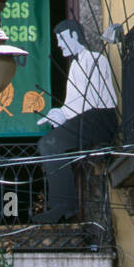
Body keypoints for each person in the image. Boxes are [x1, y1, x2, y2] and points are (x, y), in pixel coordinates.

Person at [36, 18, 117, 222]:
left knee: (49, 144)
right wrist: (59, 113)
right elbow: (74, 102)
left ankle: (64, 205)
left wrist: (65, 115)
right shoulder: (74, 66)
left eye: (61, 39)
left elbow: (93, 100)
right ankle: (63, 205)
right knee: (49, 144)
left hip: (101, 120)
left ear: (73, 35)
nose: (59, 45)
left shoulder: (95, 59)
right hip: (87, 119)